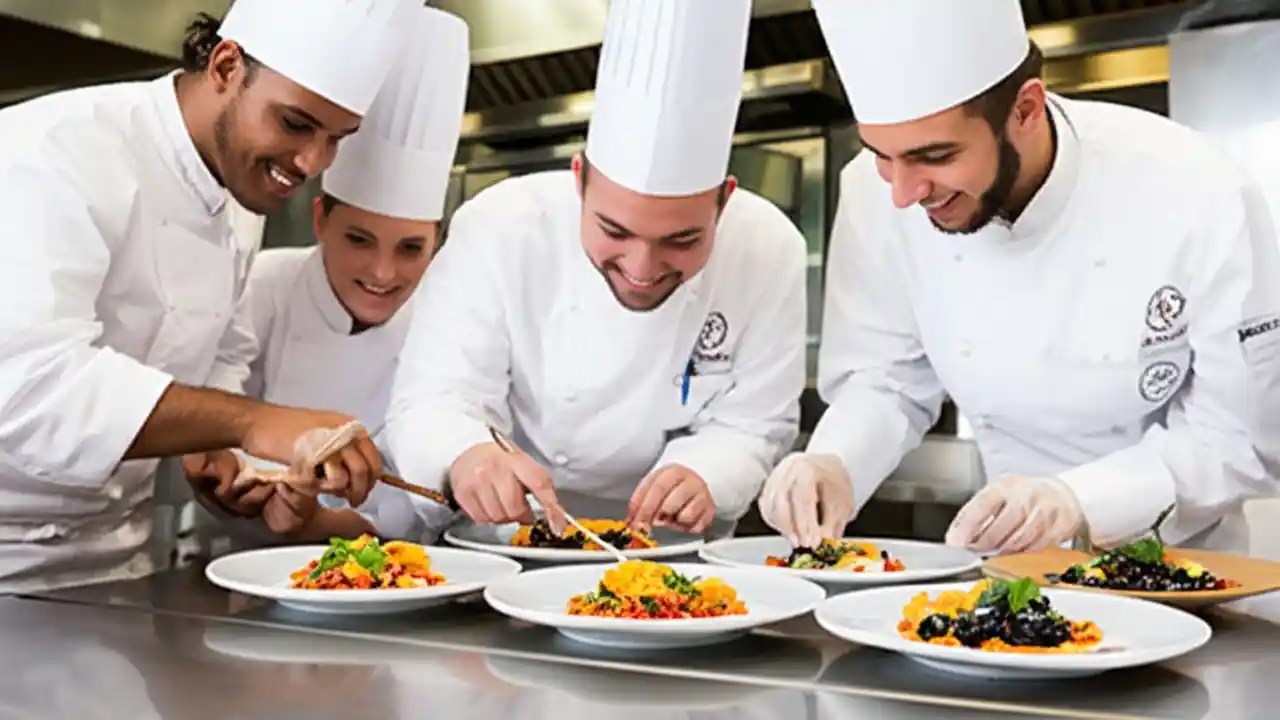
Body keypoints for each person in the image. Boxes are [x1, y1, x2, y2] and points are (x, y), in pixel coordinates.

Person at [761, 0, 1280, 555]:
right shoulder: (874, 193)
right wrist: (835, 460)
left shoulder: (1197, 190)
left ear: (1027, 109)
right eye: (882, 155)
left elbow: (1241, 439)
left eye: (934, 155)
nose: (904, 192)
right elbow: (886, 384)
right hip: (1012, 573)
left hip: (1184, 570)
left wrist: (1077, 501)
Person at [0, 0, 418, 592]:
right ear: (224, 66)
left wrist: (218, 461)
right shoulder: (51, 153)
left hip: (117, 561)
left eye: (337, 138)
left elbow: (222, 350)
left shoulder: (236, 190)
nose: (312, 162)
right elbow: (24, 384)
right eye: (296, 124)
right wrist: (253, 423)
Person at [382, 0, 807, 538]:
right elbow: (435, 397)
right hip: (505, 541)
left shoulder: (768, 250)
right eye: (615, 231)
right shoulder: (500, 227)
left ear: (723, 202)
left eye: (681, 239)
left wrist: (706, 473)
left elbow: (755, 424)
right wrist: (466, 454)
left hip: (671, 561)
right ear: (578, 180)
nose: (642, 267)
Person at [193, 5, 470, 547]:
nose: (384, 273)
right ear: (321, 219)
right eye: (358, 240)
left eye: (412, 248)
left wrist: (316, 521)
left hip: (396, 577)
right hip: (238, 568)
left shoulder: (447, 324)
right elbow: (214, 426)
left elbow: (423, 507)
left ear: (436, 238)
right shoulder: (264, 285)